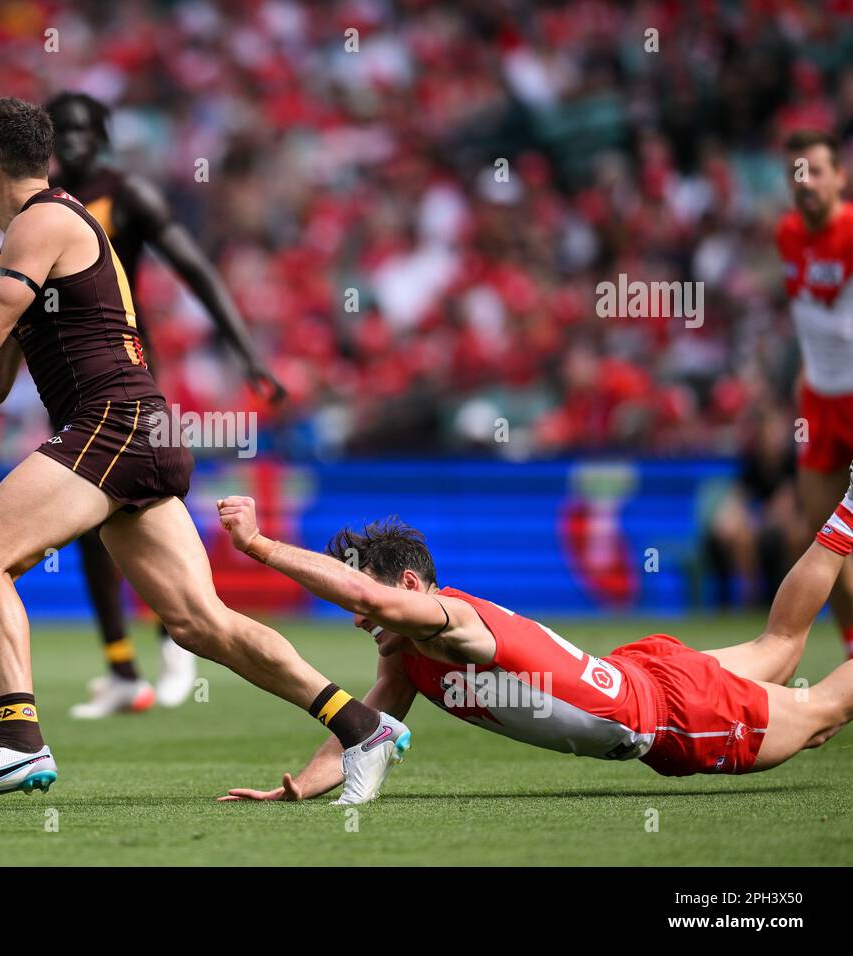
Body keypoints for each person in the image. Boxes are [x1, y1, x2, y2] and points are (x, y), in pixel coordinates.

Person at [0, 95, 407, 805]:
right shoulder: (51, 225)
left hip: (112, 422)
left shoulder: (41, 223)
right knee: (199, 623)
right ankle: (362, 724)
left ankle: (19, 743)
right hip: (139, 429)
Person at [212, 470, 853, 801]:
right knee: (780, 647)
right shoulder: (409, 659)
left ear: (410, 587)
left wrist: (259, 544)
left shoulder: (450, 621)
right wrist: (298, 785)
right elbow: (360, 731)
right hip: (643, 672)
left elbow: (359, 594)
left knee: (821, 715)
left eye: (374, 601)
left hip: (672, 717)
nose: (358, 620)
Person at [46, 91, 287, 718]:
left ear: (99, 135)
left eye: (81, 130)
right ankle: (122, 669)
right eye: (59, 131)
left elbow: (197, 270)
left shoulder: (127, 195)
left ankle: (177, 635)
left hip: (128, 371)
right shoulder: (39, 203)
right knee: (88, 523)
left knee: (153, 498)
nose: (70, 141)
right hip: (68, 380)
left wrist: (247, 353)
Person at [777, 129, 853, 657]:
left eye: (817, 171)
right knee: (823, 537)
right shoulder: (786, 235)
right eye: (796, 174)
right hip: (819, 404)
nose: (806, 183)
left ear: (840, 177)